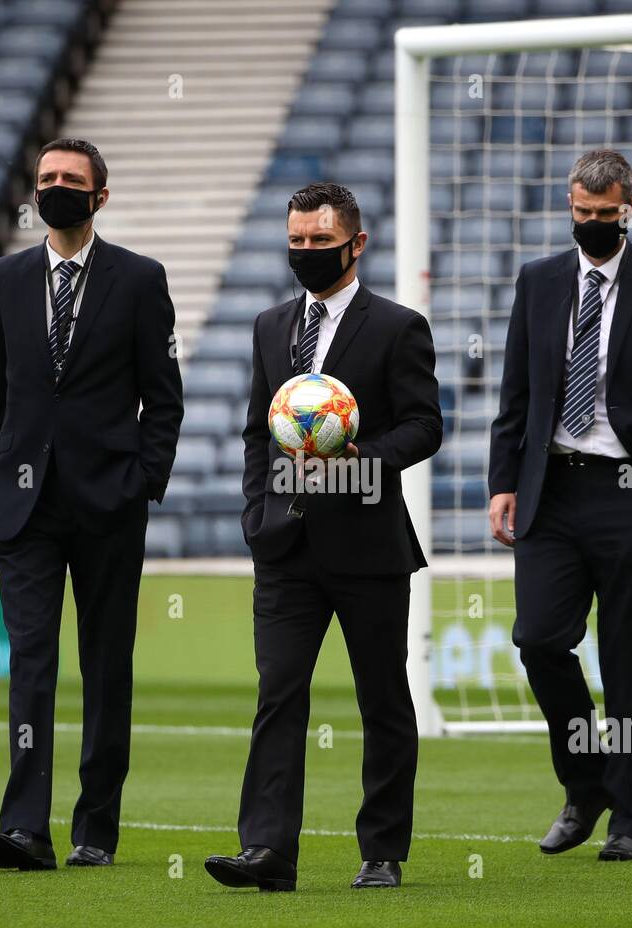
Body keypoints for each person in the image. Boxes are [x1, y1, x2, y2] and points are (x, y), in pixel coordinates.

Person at [0, 137, 183, 871]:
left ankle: (96, 830)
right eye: (46, 178)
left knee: (107, 667)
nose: (55, 188)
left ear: (99, 196)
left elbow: (164, 399)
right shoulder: (5, 278)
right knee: (31, 664)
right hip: (20, 509)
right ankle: (24, 827)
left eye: (70, 180)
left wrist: (142, 480)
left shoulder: (141, 280)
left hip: (109, 505)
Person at [205, 182, 442, 891]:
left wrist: (359, 458)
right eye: (297, 241)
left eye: (320, 241)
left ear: (356, 243)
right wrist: (257, 513)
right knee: (278, 692)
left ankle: (382, 851)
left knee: (381, 698)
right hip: (284, 547)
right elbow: (258, 432)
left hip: (369, 546)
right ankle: (269, 852)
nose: (306, 252)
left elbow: (424, 426)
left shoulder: (399, 326)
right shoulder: (270, 325)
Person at [488, 149, 632, 861]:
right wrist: (504, 482)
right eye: (581, 214)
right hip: (551, 492)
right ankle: (586, 784)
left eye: (604, 214)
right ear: (569, 206)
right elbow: (516, 393)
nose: (591, 224)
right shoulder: (539, 281)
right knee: (538, 639)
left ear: (631, 207)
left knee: (627, 661)